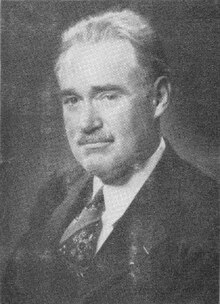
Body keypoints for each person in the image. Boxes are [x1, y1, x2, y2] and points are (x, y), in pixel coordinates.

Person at [2, 9, 218, 304]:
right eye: (73, 100)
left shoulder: (209, 218)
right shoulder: (56, 195)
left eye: (108, 96)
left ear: (159, 98)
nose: (86, 123)